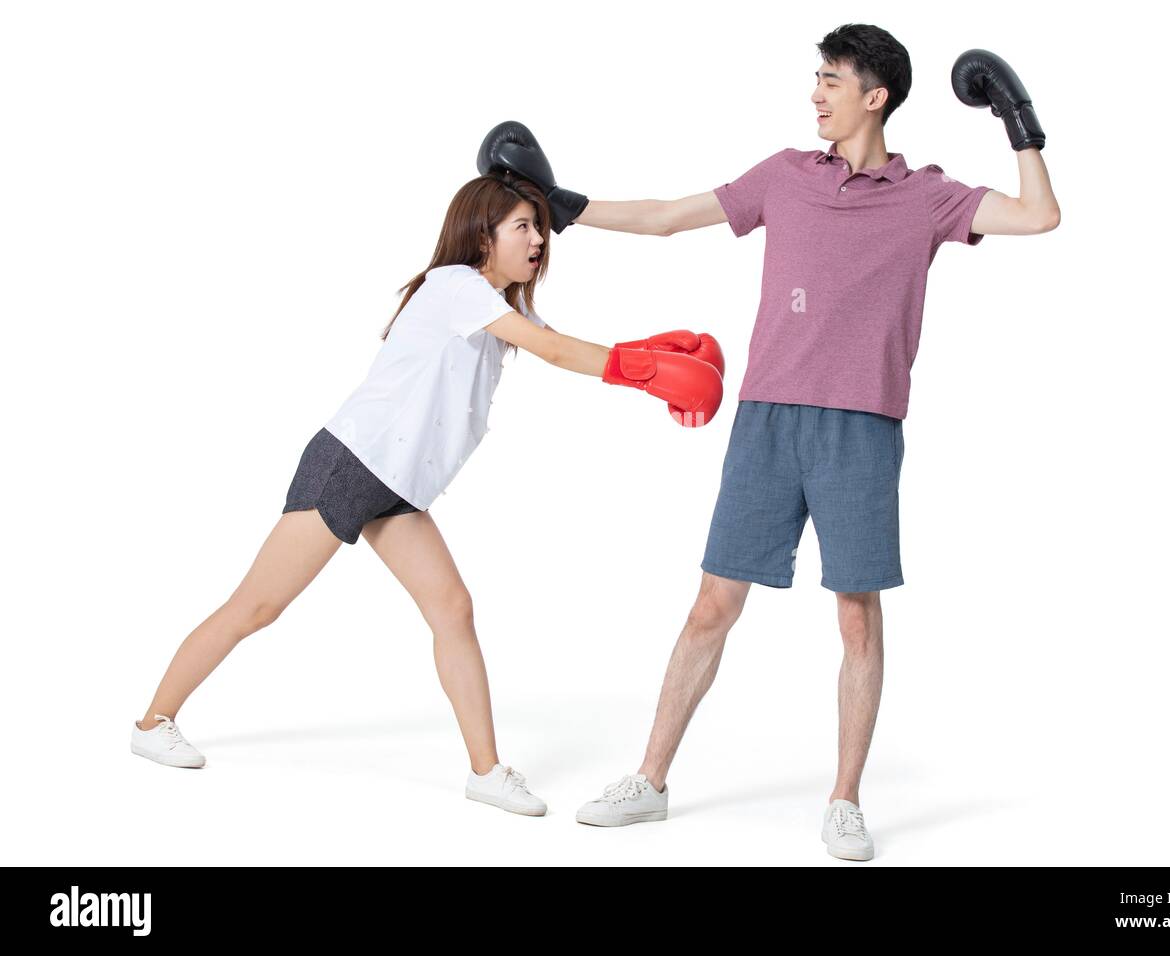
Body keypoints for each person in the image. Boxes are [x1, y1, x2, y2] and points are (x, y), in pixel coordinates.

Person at [487, 24, 1061, 859]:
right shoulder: (786, 175)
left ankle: (844, 800)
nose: (816, 93)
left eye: (832, 80)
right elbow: (664, 218)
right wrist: (559, 204)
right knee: (712, 606)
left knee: (857, 619)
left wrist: (1018, 118)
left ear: (876, 96)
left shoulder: (927, 196)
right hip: (767, 421)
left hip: (861, 426)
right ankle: (649, 779)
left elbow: (1041, 216)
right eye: (815, 78)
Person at [129, 170, 725, 819]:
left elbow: (559, 343)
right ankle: (153, 722)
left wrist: (648, 352)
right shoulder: (456, 287)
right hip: (352, 465)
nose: (537, 239)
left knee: (452, 608)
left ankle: (486, 771)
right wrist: (647, 374)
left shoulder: (506, 305)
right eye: (521, 226)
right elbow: (553, 352)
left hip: (398, 485)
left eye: (539, 226)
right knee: (257, 606)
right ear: (482, 235)